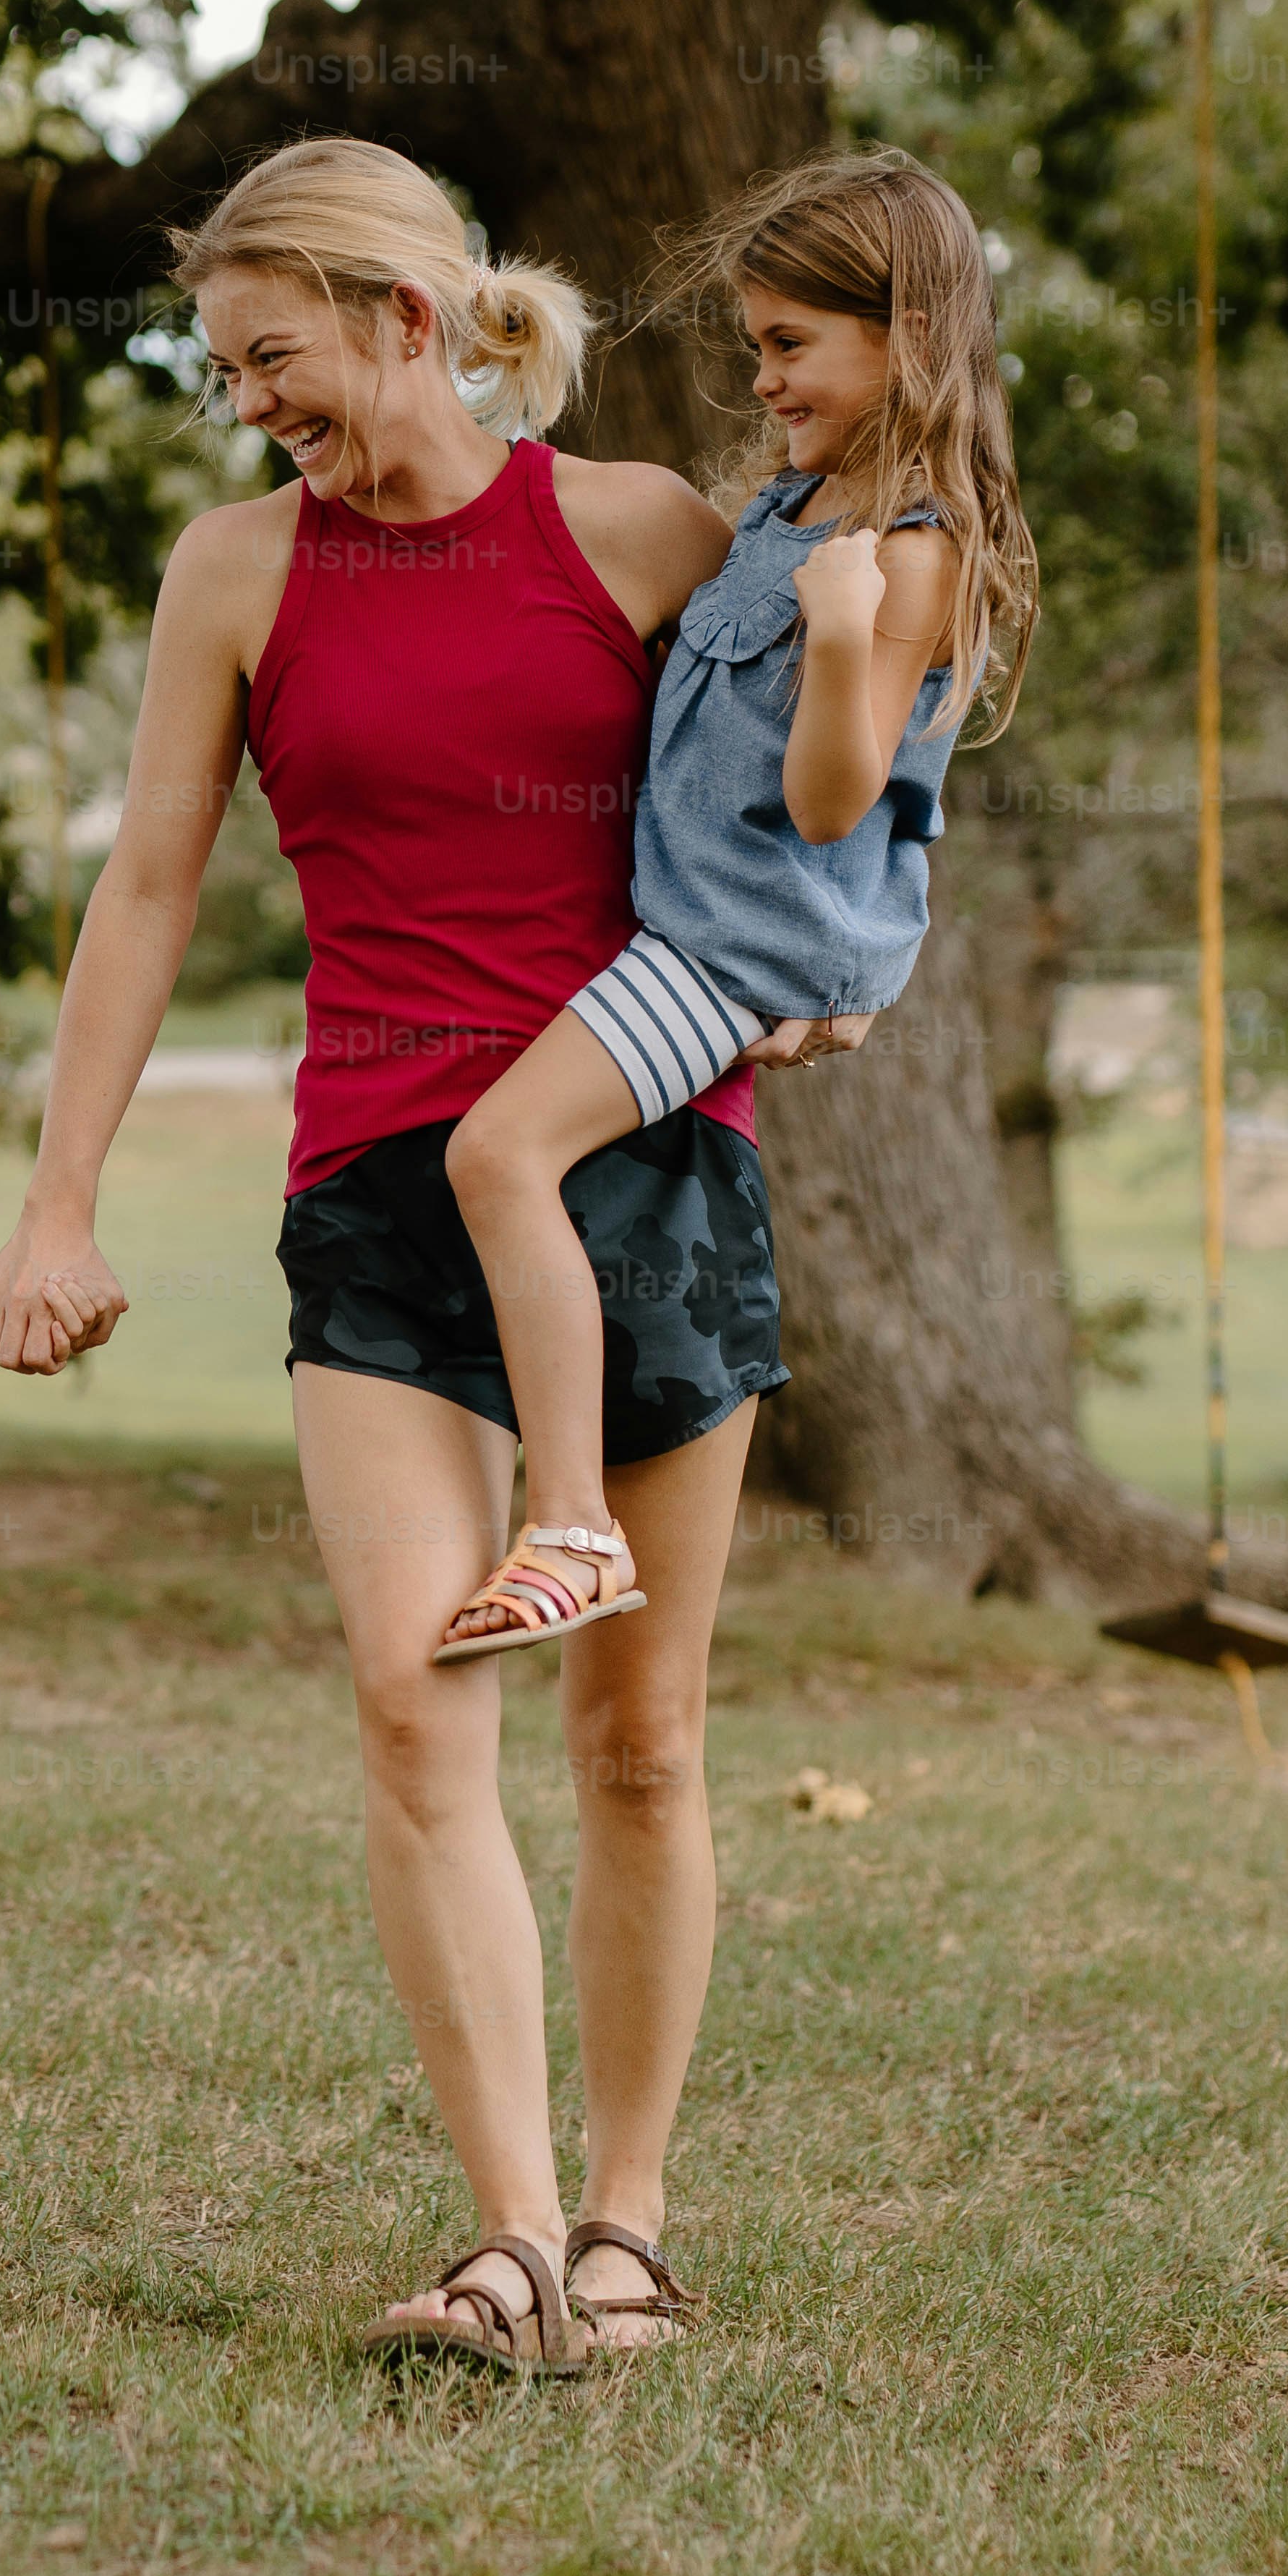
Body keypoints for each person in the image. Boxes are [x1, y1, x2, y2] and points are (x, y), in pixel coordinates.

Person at [0, 135, 823, 2373]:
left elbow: (816, 789)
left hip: (646, 1171)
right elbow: (149, 886)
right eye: (227, 366)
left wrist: (837, 968)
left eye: (279, 357)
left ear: (408, 322)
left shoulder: (642, 533)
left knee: (641, 1738)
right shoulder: (237, 572)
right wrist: (59, 1195)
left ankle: (634, 2219)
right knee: (411, 1701)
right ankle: (515, 2238)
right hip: (371, 1186)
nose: (255, 402)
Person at [433, 152, 1037, 1657]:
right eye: (753, 342)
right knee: (523, 1164)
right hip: (697, 919)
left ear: (902, 336)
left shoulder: (908, 550)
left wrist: (842, 642)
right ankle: (565, 1495)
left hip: (734, 938)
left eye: (788, 344)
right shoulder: (797, 503)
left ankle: (569, 1522)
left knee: (499, 1152)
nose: (761, 375)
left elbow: (834, 798)